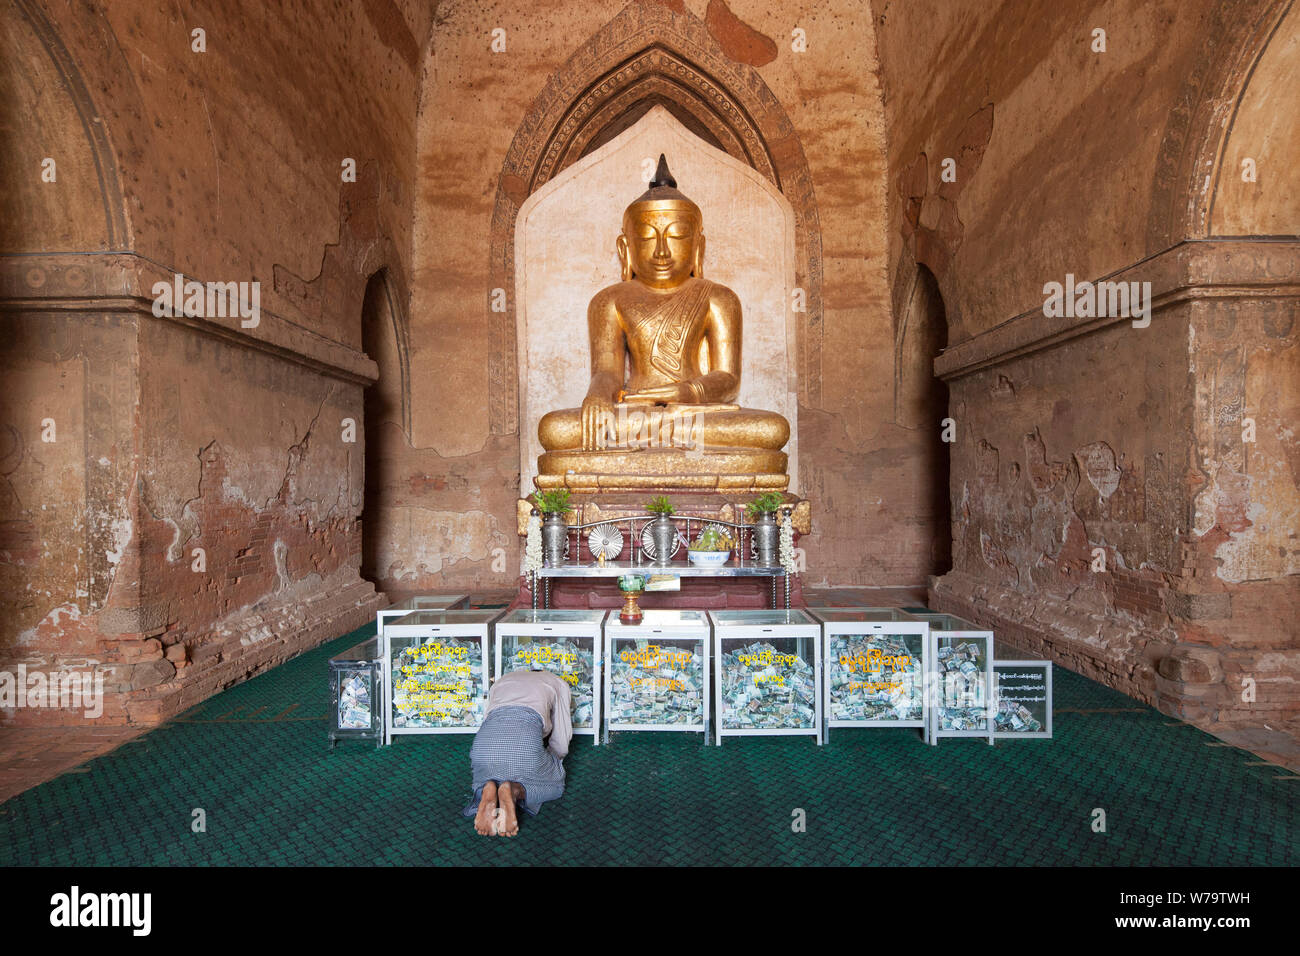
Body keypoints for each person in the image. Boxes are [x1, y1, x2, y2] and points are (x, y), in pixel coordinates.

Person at [462, 669, 572, 836]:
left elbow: (488, 719)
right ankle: (514, 790)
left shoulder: (501, 681)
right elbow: (561, 741)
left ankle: (487, 787)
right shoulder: (558, 683)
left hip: (483, 746)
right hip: (525, 745)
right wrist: (552, 761)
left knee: (488, 772)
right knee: (555, 786)